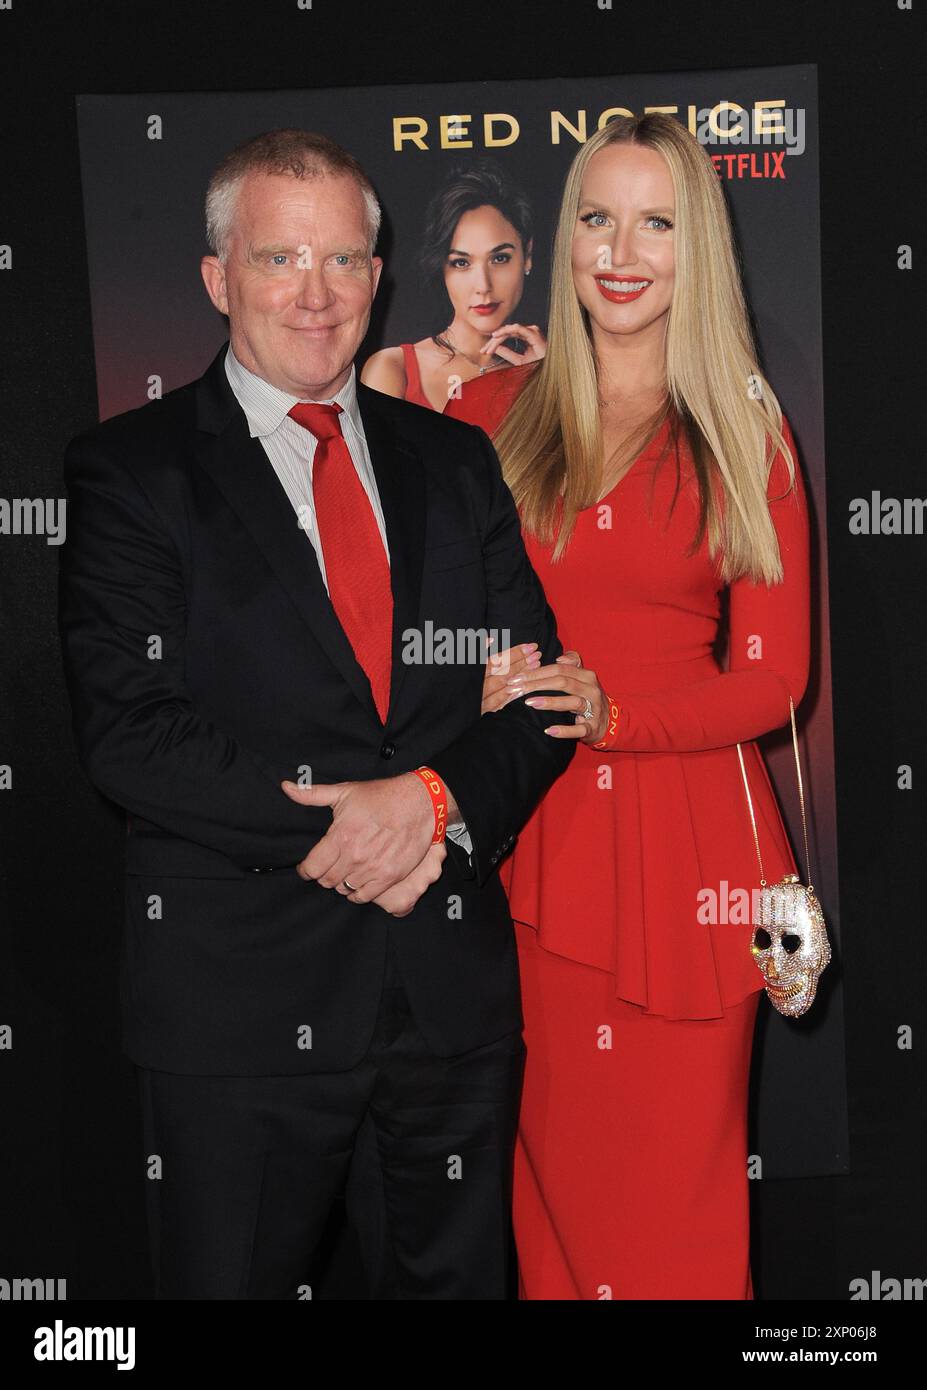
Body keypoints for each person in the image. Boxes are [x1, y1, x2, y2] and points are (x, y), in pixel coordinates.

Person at [57, 127, 577, 1300]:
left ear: (379, 277)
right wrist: (353, 835)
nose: (315, 292)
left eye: (344, 260)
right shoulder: (131, 473)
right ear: (215, 276)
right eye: (280, 257)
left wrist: (432, 802)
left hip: (445, 1005)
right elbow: (133, 729)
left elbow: (537, 690)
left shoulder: (455, 461)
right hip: (240, 1012)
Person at [445, 112, 811, 1300]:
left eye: (656, 221)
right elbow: (416, 642)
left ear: (695, 244)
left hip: (689, 864)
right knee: (550, 1216)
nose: (621, 248)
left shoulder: (744, 432)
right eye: (597, 216)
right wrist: (477, 674)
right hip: (529, 847)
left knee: (672, 1225)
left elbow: (772, 679)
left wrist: (614, 718)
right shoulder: (485, 420)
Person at [362, 161, 545, 411]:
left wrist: (545, 384)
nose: (483, 285)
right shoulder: (394, 369)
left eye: (500, 258)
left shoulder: (548, 372)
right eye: (461, 263)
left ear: (528, 255)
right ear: (442, 268)